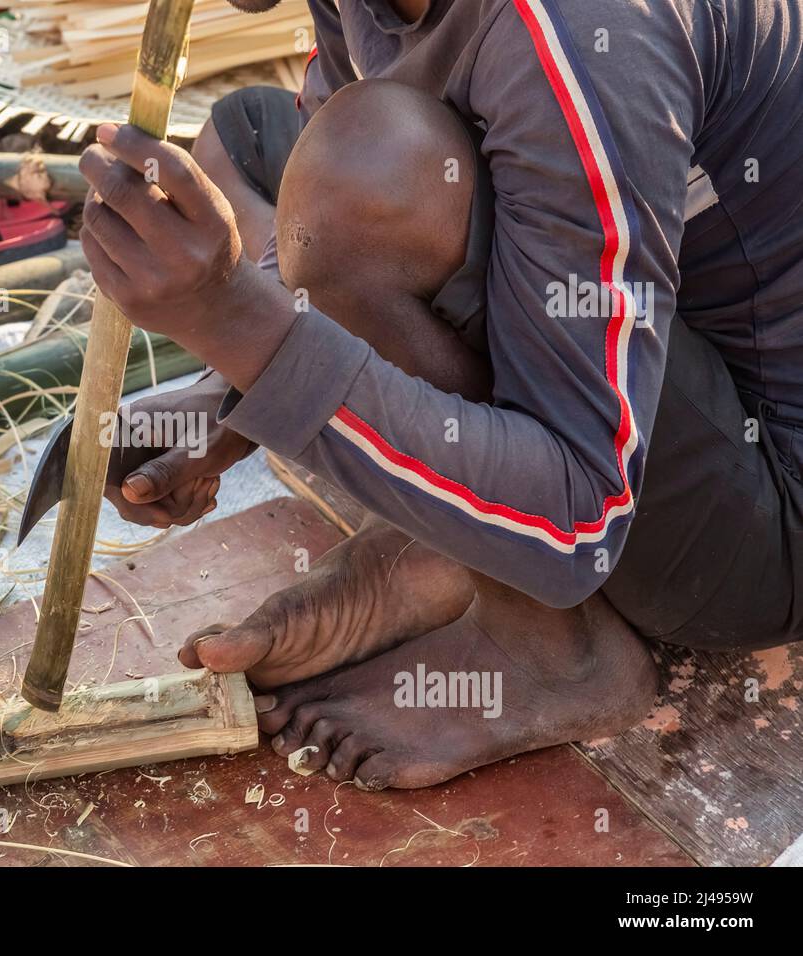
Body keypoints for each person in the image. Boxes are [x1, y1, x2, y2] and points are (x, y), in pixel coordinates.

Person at [75, 0, 803, 790]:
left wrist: (237, 326)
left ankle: (551, 649)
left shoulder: (580, 30)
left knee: (369, 175)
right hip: (644, 352)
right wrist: (230, 385)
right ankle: (444, 547)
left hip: (769, 511)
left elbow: (581, 518)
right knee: (242, 145)